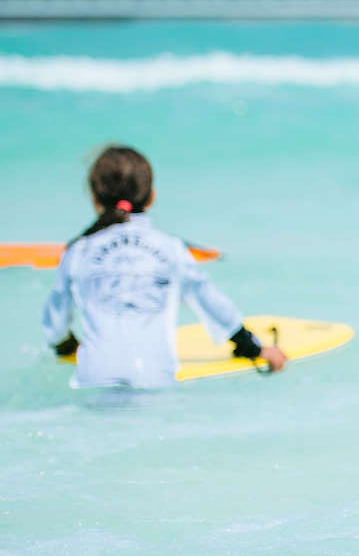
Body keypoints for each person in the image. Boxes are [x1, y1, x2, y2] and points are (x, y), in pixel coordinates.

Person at [42, 145, 287, 388]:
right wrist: (251, 347)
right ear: (151, 197)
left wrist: (66, 347)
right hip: (154, 379)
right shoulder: (171, 249)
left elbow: (55, 323)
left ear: (95, 198)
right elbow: (209, 301)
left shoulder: (78, 250)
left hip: (93, 379)